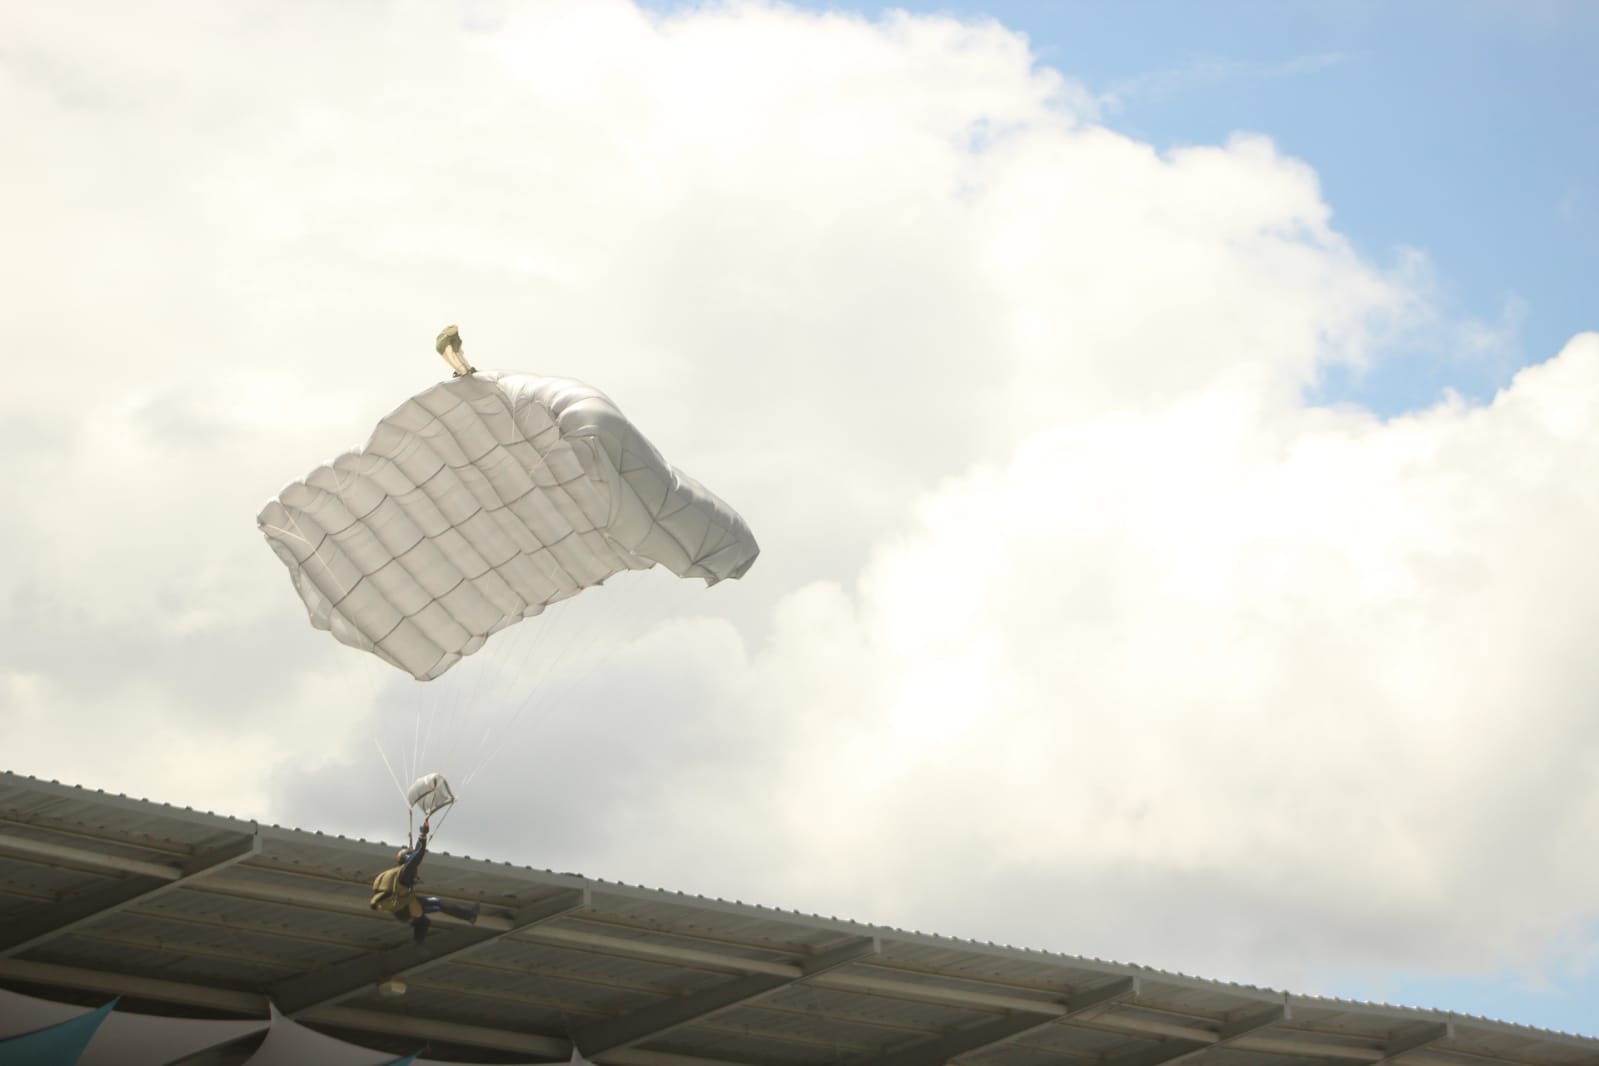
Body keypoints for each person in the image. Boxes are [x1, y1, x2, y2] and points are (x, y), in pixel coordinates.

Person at [370, 819, 481, 944]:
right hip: (406, 907)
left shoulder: (395, 874)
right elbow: (418, 855)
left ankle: (418, 946)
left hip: (400, 911)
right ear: (407, 859)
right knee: (437, 903)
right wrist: (423, 835)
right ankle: (469, 915)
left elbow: (415, 855)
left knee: (425, 921)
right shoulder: (405, 872)